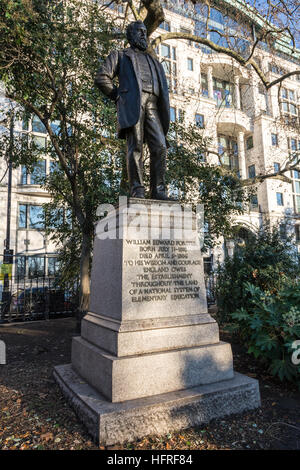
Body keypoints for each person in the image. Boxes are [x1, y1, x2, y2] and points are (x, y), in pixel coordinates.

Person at [95, 21, 170, 200]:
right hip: (133, 105)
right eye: (140, 32)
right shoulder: (120, 56)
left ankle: (158, 191)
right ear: (130, 35)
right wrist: (119, 97)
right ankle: (137, 190)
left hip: (153, 105)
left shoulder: (155, 62)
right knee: (135, 146)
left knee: (160, 147)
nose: (144, 35)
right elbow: (101, 77)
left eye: (145, 32)